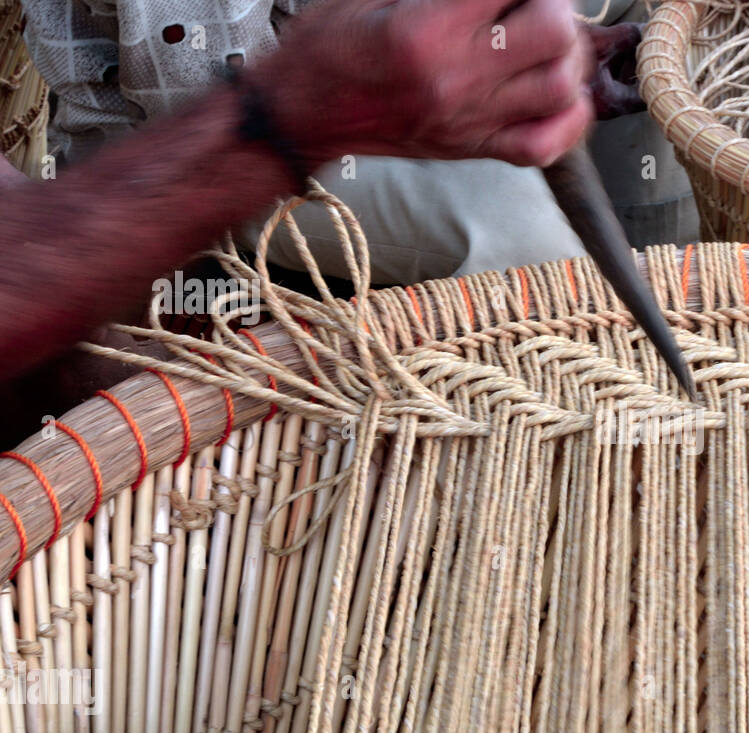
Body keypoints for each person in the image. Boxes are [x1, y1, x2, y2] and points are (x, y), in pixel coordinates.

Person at [0, 0, 612, 442]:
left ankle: (653, 296)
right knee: (528, 239)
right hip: (190, 140)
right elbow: (194, 88)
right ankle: (553, 449)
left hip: (336, 75)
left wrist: (503, 46)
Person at [15, 0, 641, 285]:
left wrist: (520, 40)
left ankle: (671, 278)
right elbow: (207, 94)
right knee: (529, 239)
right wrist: (467, 89)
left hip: (358, 48)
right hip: (206, 144)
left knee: (649, 32)